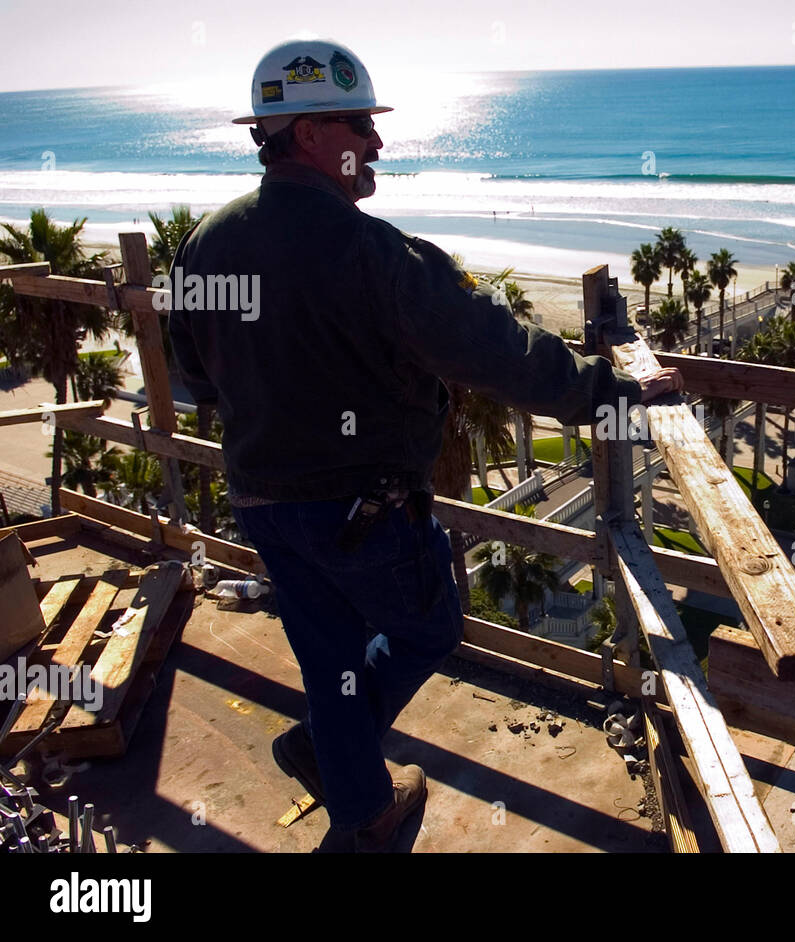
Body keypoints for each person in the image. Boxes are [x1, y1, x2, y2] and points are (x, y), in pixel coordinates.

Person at [167, 38, 681, 853]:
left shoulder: (206, 243)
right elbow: (494, 348)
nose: (375, 144)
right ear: (307, 135)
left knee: (327, 654)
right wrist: (607, 394)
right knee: (428, 630)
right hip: (364, 510)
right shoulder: (371, 253)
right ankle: (342, 771)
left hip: (264, 500)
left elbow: (190, 373)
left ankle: (352, 788)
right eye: (360, 126)